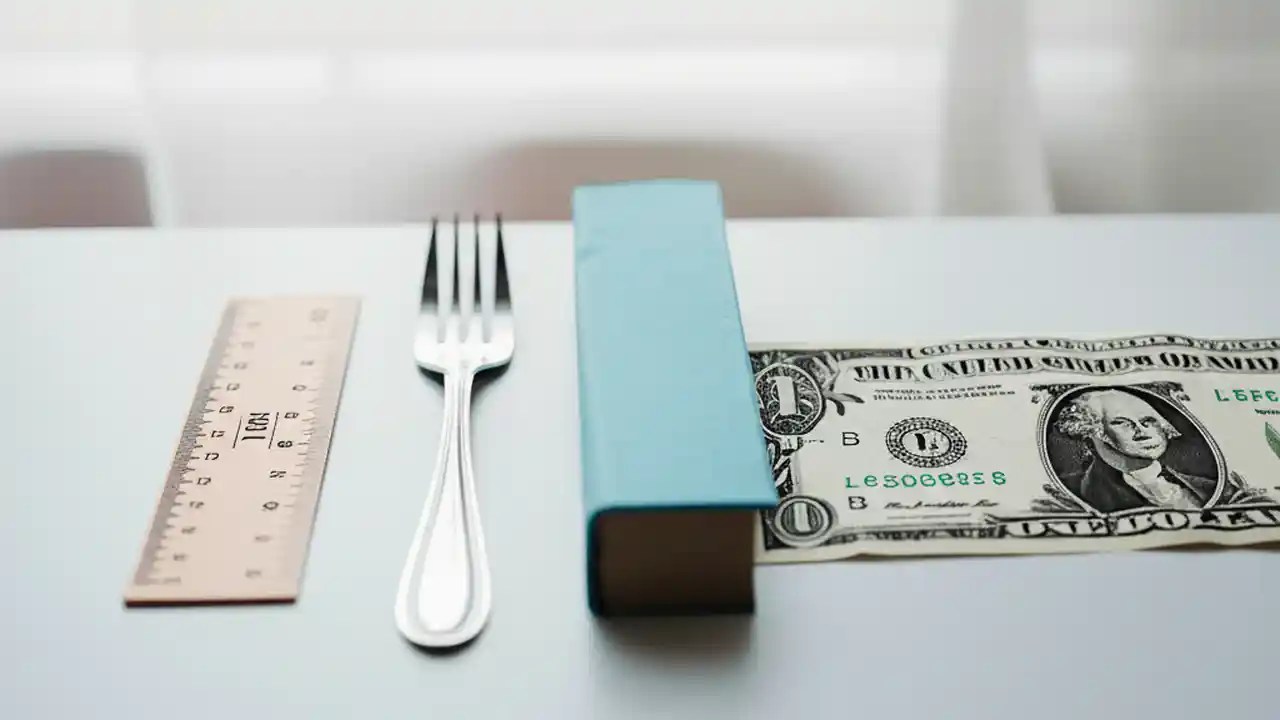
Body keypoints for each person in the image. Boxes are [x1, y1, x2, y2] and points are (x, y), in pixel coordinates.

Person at [1054, 388, 1218, 513]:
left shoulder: (1207, 486)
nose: (1142, 432)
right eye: (1122, 423)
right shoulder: (1071, 494)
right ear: (1090, 433)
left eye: (1148, 421)